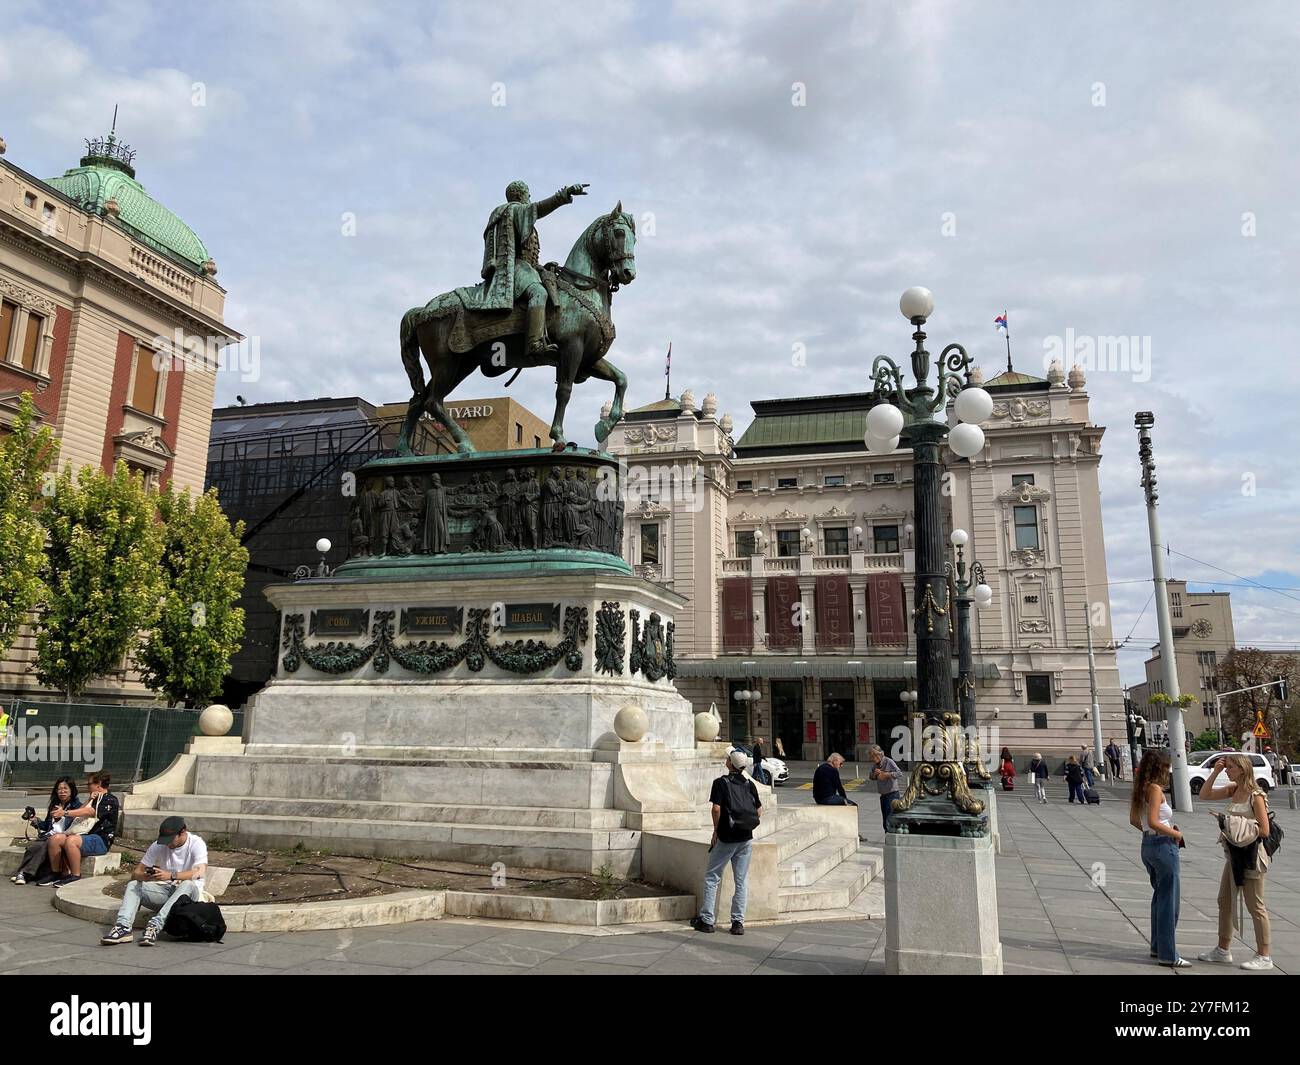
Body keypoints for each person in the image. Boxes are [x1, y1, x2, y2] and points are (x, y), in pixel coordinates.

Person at [1197, 754, 1274, 970]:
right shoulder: (1233, 789)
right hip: (1233, 856)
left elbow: (1265, 830)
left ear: (1241, 769)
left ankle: (1264, 955)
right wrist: (1215, 772)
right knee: (1225, 901)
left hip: (1251, 857)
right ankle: (1223, 950)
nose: (1227, 770)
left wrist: (1235, 823)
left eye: (1229, 767)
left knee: (1255, 906)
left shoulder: (1255, 795)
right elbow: (1204, 795)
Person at [100, 816, 208, 947]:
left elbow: (199, 872)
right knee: (133, 885)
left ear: (182, 832)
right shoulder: (158, 844)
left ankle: (155, 926)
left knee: (187, 884)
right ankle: (123, 927)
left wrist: (171, 876)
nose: (167, 844)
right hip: (166, 892)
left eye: (170, 840)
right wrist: (144, 877)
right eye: (165, 840)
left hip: (189, 897)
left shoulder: (196, 843)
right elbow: (135, 874)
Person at [691, 750, 762, 936]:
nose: (726, 760)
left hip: (727, 838)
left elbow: (716, 809)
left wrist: (716, 830)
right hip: (745, 838)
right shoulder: (749, 784)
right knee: (741, 881)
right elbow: (759, 810)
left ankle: (707, 920)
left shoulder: (721, 783)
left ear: (730, 764)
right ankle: (738, 922)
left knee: (712, 877)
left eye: (728, 758)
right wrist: (745, 824)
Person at [1131, 750, 1188, 967]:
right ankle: (1168, 953)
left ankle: (1157, 946)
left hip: (1148, 845)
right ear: (1160, 767)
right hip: (1163, 846)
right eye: (1167, 766)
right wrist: (1176, 834)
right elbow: (1155, 821)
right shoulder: (1155, 789)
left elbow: (1134, 819)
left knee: (1160, 896)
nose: (1169, 770)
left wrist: (1149, 833)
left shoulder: (1140, 788)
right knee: (1169, 901)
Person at [44, 772, 120, 887]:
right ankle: (56, 872)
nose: (87, 786)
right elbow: (79, 813)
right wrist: (89, 799)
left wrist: (64, 812)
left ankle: (75, 875)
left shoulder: (110, 799)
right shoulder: (94, 798)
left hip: (100, 840)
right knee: (56, 839)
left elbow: (90, 812)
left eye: (89, 784)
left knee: (71, 840)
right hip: (84, 836)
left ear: (98, 784)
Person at [12, 777, 79, 885]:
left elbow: (75, 826)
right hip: (48, 835)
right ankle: (23, 873)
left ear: (72, 790)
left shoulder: (77, 807)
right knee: (33, 848)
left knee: (44, 846)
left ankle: (25, 874)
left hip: (62, 838)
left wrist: (64, 814)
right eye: (59, 789)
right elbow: (47, 825)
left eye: (65, 789)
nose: (62, 792)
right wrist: (35, 821)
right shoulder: (54, 805)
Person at [867, 744, 903, 832]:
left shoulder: (888, 761)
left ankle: (890, 834)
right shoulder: (875, 764)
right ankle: (887, 834)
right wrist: (874, 775)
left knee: (889, 817)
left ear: (878, 755)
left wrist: (887, 774)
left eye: (873, 756)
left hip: (892, 794)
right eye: (871, 757)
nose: (872, 759)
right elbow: (871, 777)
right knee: (885, 818)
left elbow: (899, 773)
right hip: (883, 795)